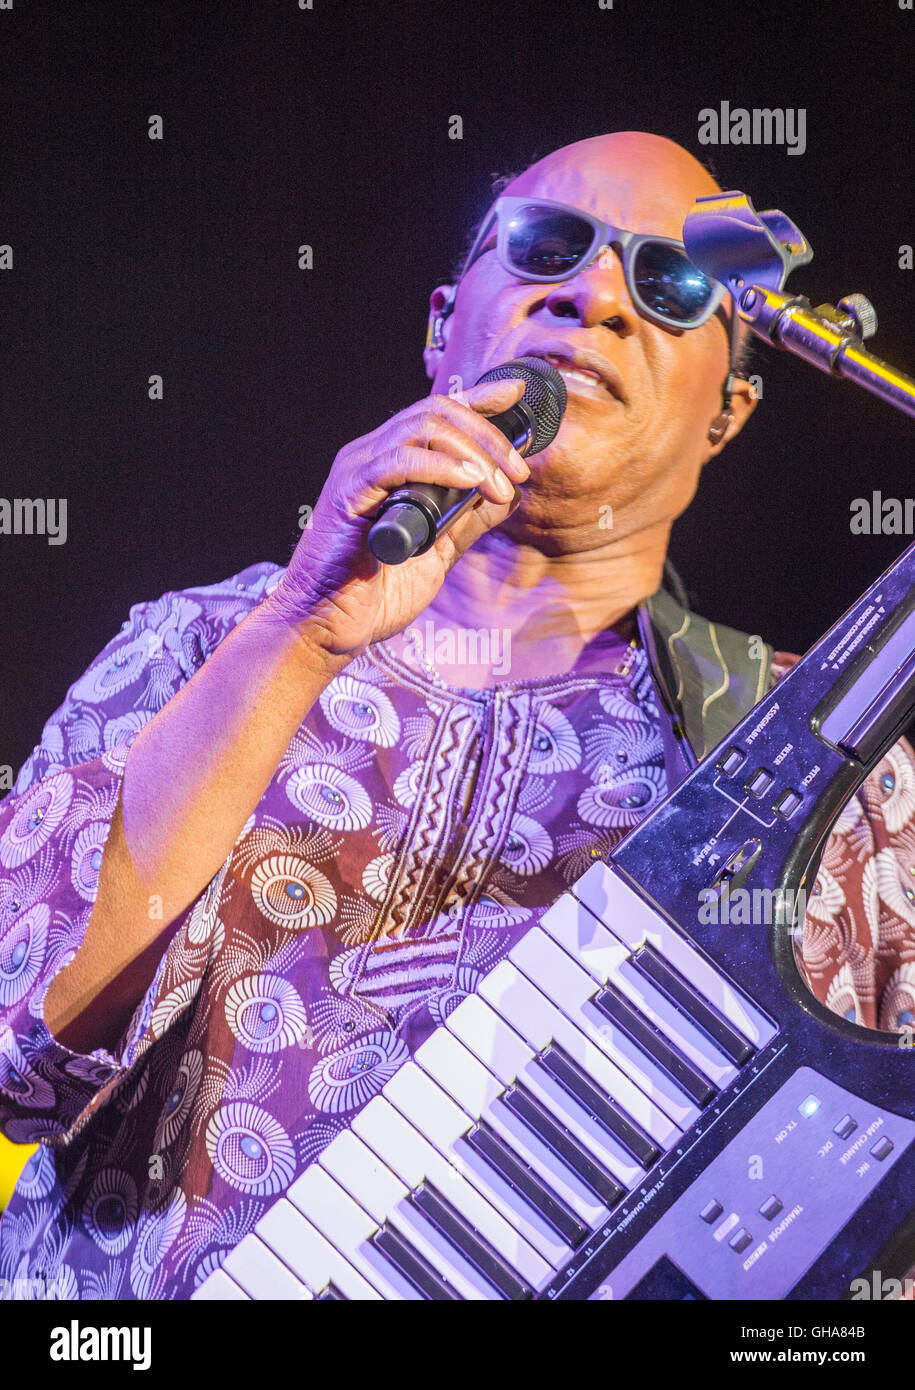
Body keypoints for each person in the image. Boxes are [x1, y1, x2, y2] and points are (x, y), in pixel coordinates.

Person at [1, 132, 913, 1301]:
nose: (595, 296)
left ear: (729, 410)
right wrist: (300, 633)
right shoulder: (199, 646)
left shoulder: (818, 765)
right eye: (549, 245)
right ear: (445, 321)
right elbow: (19, 1052)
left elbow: (867, 1231)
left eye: (675, 285)